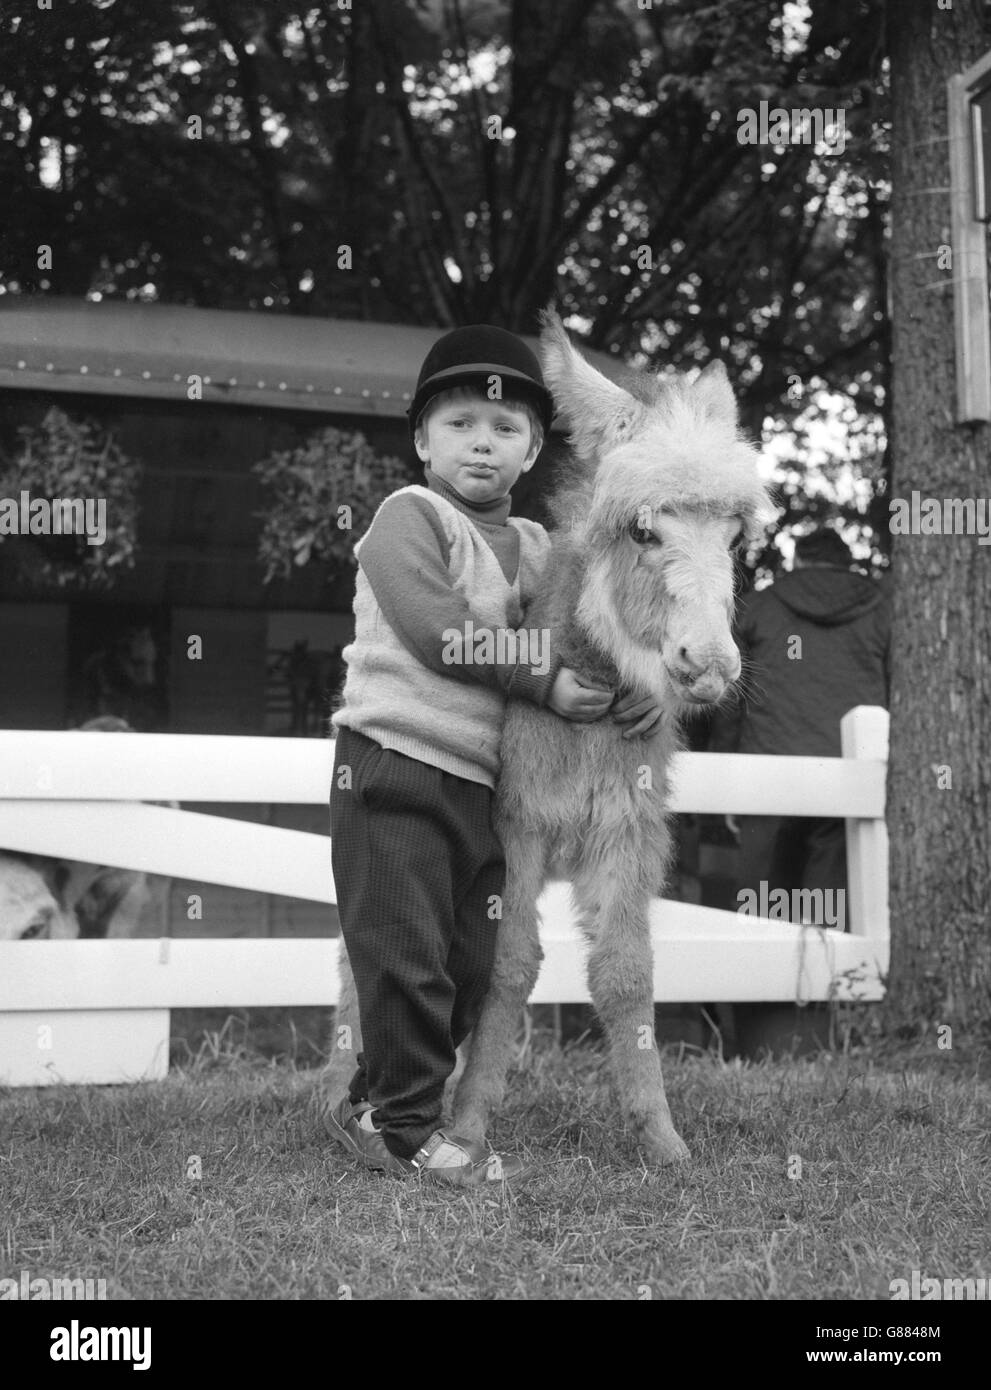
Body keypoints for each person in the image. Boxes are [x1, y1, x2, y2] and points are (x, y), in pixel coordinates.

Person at [326, 325, 662, 1186]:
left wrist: (639, 681)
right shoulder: (408, 519)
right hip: (392, 763)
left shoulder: (541, 548)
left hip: (476, 784)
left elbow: (591, 628)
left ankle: (367, 1095)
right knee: (404, 947)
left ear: (532, 452)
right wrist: (545, 684)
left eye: (504, 429)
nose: (482, 441)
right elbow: (441, 634)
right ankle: (402, 1128)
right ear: (420, 441)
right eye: (460, 423)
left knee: (472, 960)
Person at [710, 525, 891, 927]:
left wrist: (727, 781)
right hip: (847, 779)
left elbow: (731, 702)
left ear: (799, 562)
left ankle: (764, 989)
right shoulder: (883, 608)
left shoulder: (760, 606)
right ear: (847, 566)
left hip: (767, 775)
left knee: (762, 910)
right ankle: (819, 989)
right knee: (827, 910)